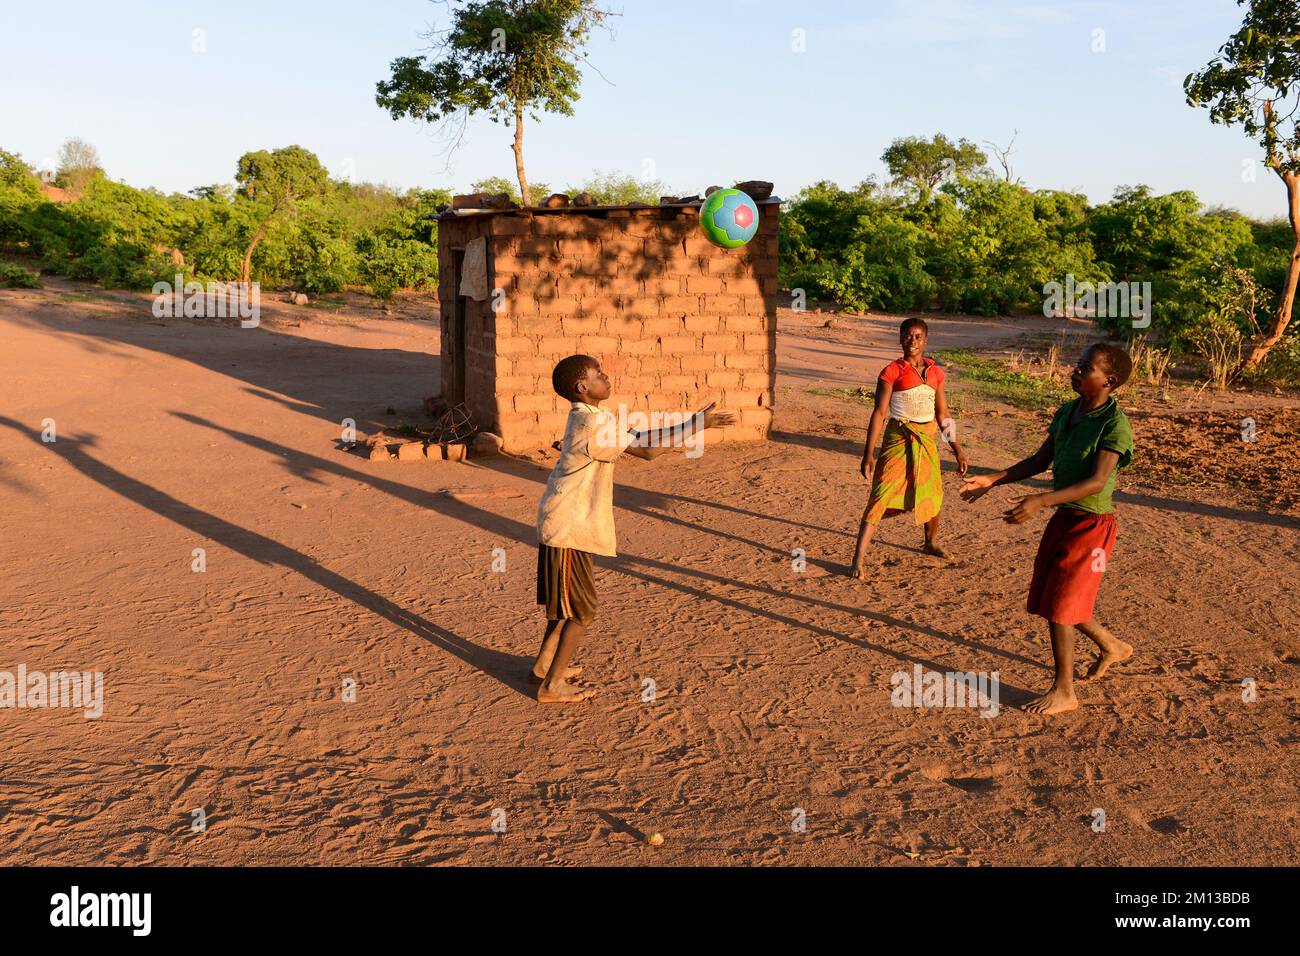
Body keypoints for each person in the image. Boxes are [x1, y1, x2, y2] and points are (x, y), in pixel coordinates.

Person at [532, 354, 735, 703]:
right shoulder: (591, 426)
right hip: (567, 527)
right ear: (583, 387)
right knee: (581, 611)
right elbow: (648, 449)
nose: (607, 377)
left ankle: (546, 663)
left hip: (570, 522)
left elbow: (640, 437)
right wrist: (698, 424)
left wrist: (691, 423)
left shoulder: (591, 417)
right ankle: (551, 686)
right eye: (599, 374)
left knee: (566, 603)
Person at [959, 343, 1136, 715]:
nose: (1075, 370)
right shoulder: (1068, 412)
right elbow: (1041, 459)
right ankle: (1112, 645)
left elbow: (1096, 482)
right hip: (1065, 518)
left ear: (1110, 380)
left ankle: (1064, 691)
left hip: (1092, 524)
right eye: (1078, 364)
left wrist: (1040, 501)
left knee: (1062, 603)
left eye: (1085, 368)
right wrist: (994, 479)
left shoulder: (1114, 424)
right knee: (1056, 595)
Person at [850, 318, 967, 578]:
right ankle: (857, 558)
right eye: (907, 336)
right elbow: (879, 413)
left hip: (926, 439)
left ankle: (930, 542)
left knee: (932, 492)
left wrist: (956, 448)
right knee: (881, 493)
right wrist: (868, 453)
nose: (912, 341)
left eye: (917, 337)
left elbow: (943, 413)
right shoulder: (892, 371)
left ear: (925, 340)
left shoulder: (935, 372)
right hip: (899, 439)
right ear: (900, 339)